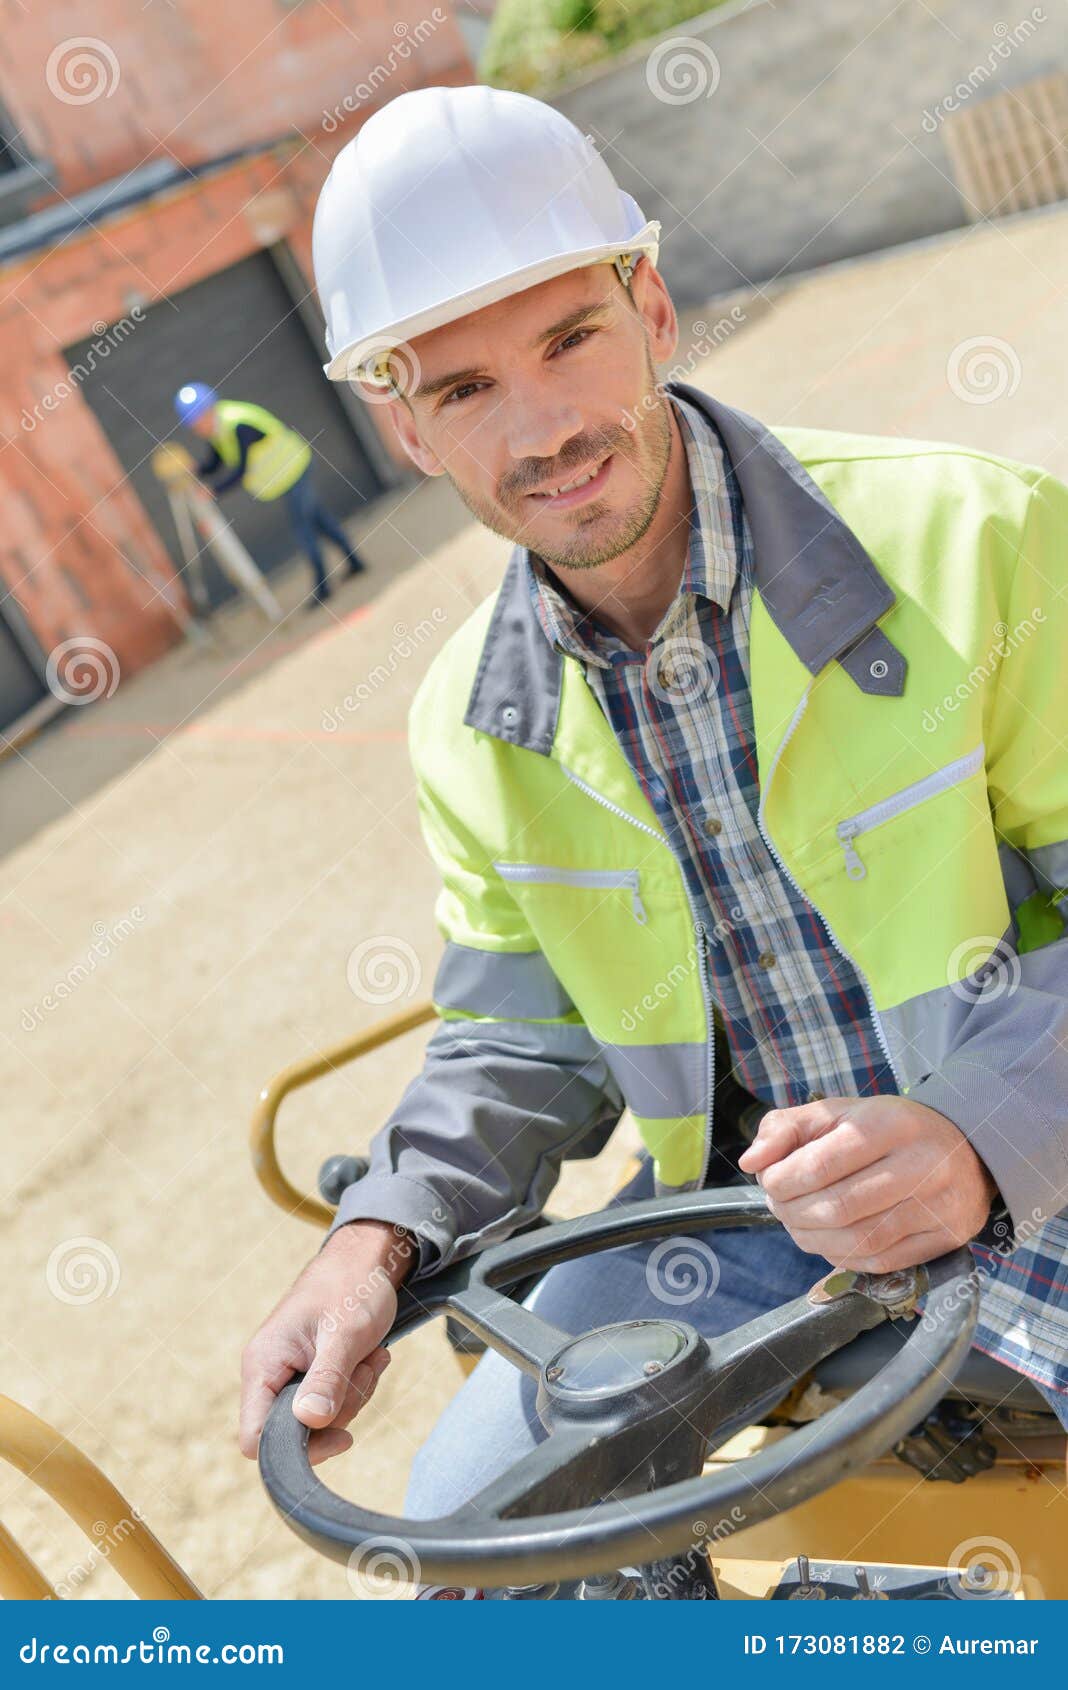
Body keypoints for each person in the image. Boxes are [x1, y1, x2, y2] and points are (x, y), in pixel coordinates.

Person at [239, 85, 1068, 1519]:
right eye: (465, 387)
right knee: (464, 1520)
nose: (547, 427)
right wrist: (374, 1236)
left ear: (657, 311)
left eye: (568, 340)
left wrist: (985, 1128)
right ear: (409, 430)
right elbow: (519, 1037)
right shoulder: (469, 723)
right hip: (732, 1229)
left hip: (1038, 1149)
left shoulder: (979, 539)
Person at [172, 384, 367, 607]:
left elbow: (241, 470)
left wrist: (214, 491)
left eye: (198, 421)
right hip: (284, 475)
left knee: (304, 529)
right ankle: (355, 562)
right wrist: (195, 470)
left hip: (294, 468)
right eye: (193, 425)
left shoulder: (237, 424)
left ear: (209, 410)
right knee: (319, 520)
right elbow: (217, 460)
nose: (197, 428)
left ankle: (323, 587)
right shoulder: (217, 428)